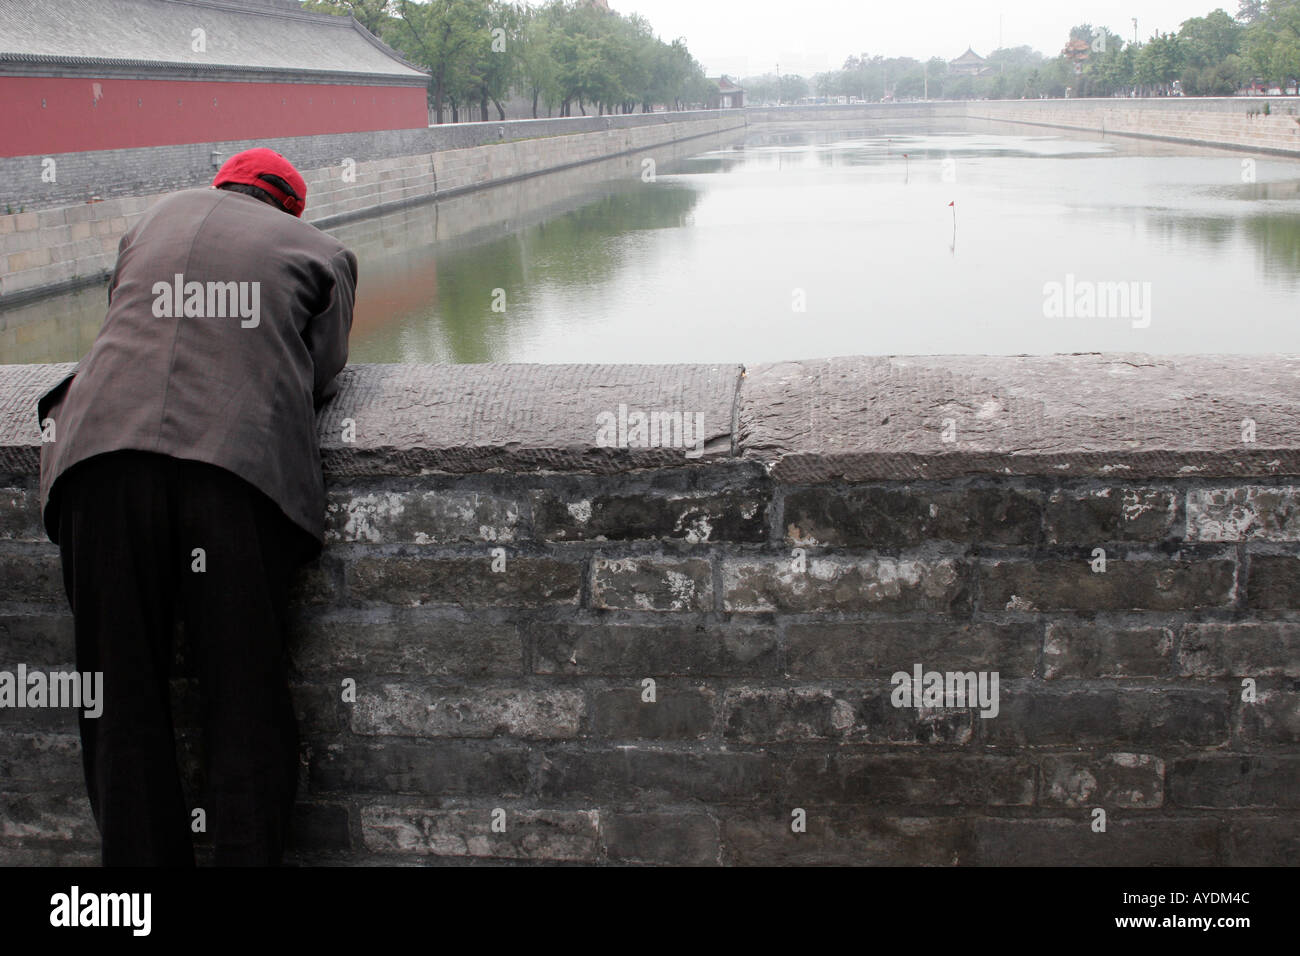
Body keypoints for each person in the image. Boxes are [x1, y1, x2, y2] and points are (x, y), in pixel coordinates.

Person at [35, 148, 358, 866]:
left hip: (97, 457)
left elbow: (128, 327)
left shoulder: (151, 221)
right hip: (233, 471)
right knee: (245, 700)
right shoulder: (321, 251)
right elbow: (322, 375)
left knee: (116, 702)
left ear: (221, 186)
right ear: (288, 206)